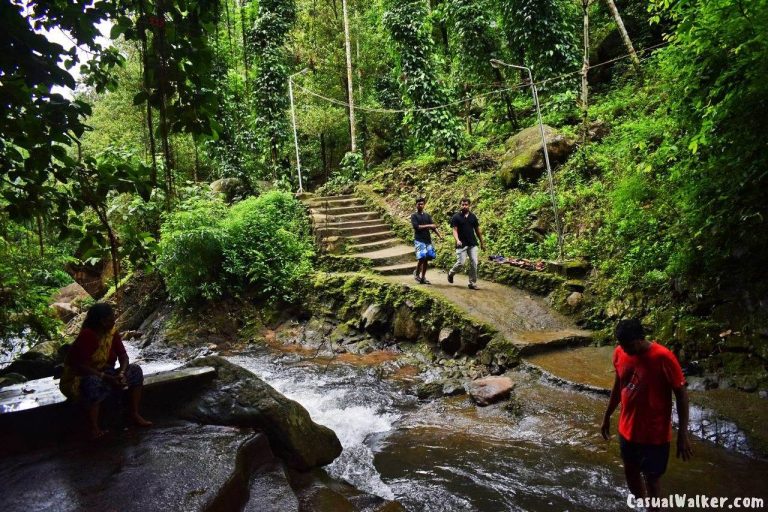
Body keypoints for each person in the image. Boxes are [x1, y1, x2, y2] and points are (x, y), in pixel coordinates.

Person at [601, 319, 693, 505]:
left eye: (628, 345)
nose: (624, 349)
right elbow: (619, 385)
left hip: (654, 434)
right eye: (621, 345)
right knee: (630, 472)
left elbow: (681, 395)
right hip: (627, 429)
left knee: (652, 479)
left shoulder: (663, 357)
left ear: (639, 339)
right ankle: (641, 505)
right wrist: (607, 415)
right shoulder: (620, 352)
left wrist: (683, 434)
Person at [60, 303, 152, 438]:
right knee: (93, 381)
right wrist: (106, 377)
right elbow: (81, 366)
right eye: (110, 319)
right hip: (79, 379)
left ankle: (134, 414)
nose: (113, 322)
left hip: (107, 374)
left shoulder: (112, 333)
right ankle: (94, 427)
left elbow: (123, 356)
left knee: (135, 370)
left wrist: (121, 373)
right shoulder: (87, 335)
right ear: (102, 322)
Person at [447, 197, 486, 290]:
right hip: (461, 244)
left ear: (469, 205)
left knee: (474, 262)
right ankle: (451, 273)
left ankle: (472, 283)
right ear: (460, 205)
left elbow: (477, 231)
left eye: (466, 205)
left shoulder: (473, 217)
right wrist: (457, 240)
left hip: (472, 243)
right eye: (463, 204)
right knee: (461, 262)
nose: (464, 206)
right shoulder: (456, 217)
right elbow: (454, 230)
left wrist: (482, 243)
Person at [411, 197, 442, 284]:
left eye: (422, 204)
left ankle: (423, 277)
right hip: (419, 239)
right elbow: (417, 227)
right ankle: (417, 274)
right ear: (416, 205)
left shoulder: (427, 216)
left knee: (427, 258)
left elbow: (433, 227)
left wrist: (439, 235)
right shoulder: (414, 216)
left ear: (424, 205)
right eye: (419, 204)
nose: (420, 205)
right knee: (422, 257)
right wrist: (429, 225)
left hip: (427, 240)